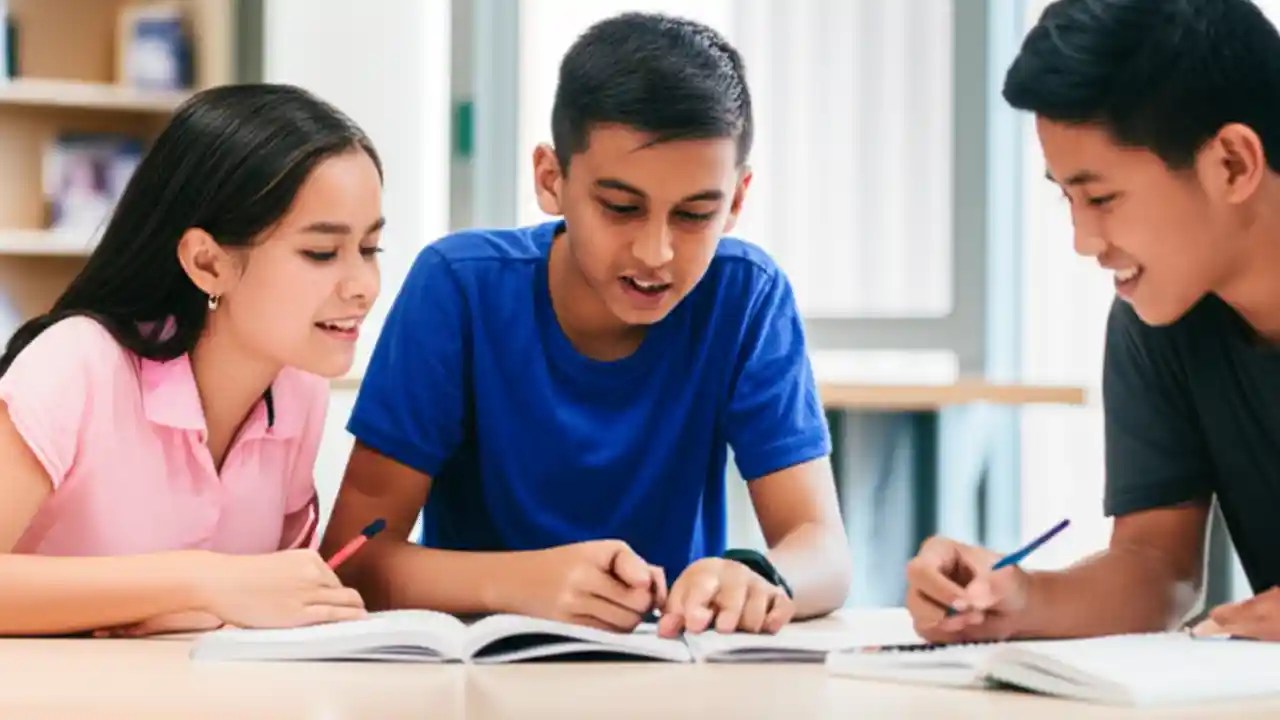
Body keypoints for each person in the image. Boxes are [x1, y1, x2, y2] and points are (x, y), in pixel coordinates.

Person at [322, 12, 851, 637]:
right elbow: (350, 561)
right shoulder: (458, 288)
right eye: (621, 207)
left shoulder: (745, 297)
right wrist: (522, 584)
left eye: (694, 215)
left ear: (736, 200)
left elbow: (823, 551)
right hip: (480, 680)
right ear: (552, 180)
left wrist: (758, 573)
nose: (656, 252)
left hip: (669, 673)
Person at [906, 0, 1280, 644]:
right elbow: (1157, 567)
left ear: (1233, 165)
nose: (1083, 240)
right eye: (1066, 196)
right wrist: (1022, 600)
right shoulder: (1161, 316)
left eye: (1102, 197)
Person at [0, 83, 384, 637]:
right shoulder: (76, 363)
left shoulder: (299, 389)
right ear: (207, 262)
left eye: (370, 250)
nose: (364, 287)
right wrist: (201, 581)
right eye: (321, 252)